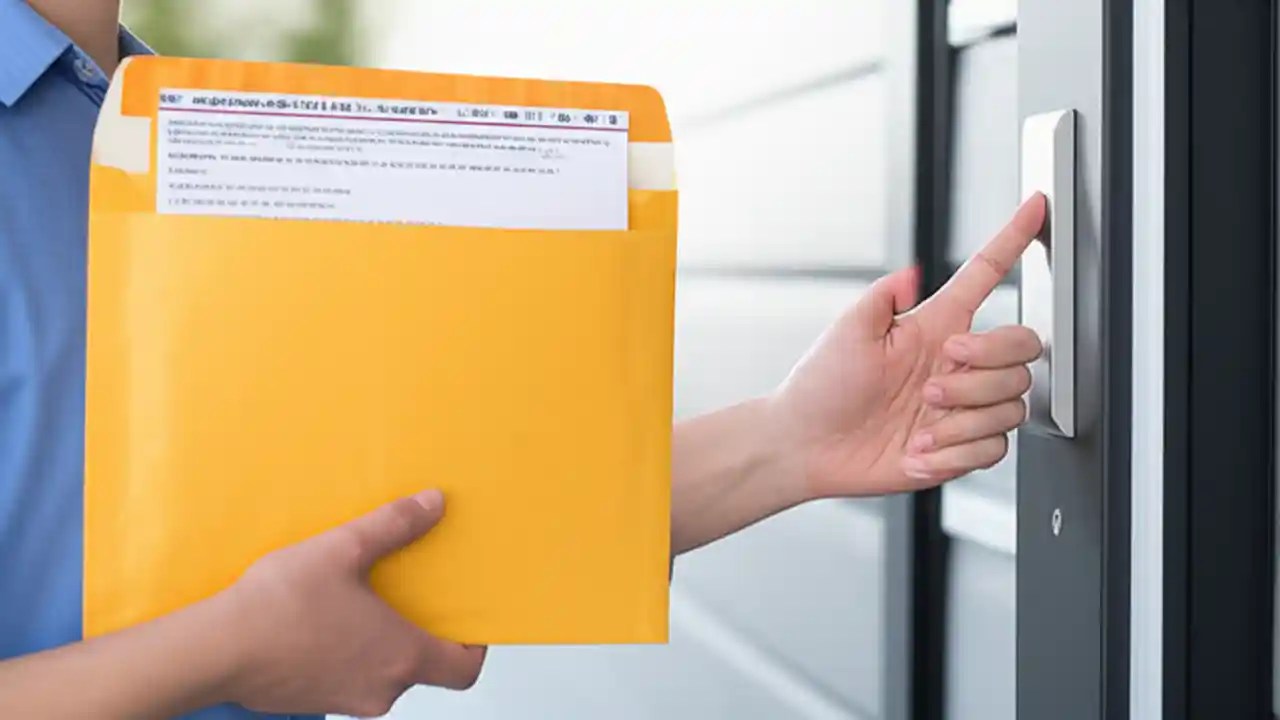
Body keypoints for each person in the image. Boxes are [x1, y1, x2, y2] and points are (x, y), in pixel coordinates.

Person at [0, 0, 1045, 717]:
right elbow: (260, 615)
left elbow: (383, 522)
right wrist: (229, 649)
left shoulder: (158, 120)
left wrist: (786, 442)